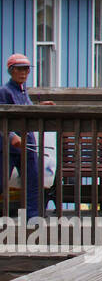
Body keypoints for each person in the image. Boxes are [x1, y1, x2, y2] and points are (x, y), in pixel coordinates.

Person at [2, 53, 54, 219]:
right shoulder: (5, 91)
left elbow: (26, 110)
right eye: (19, 69)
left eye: (26, 70)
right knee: (1, 183)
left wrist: (39, 107)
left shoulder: (23, 91)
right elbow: (1, 119)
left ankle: (33, 217)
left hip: (28, 145)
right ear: (11, 71)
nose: (24, 73)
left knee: (33, 182)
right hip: (9, 146)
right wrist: (11, 137)